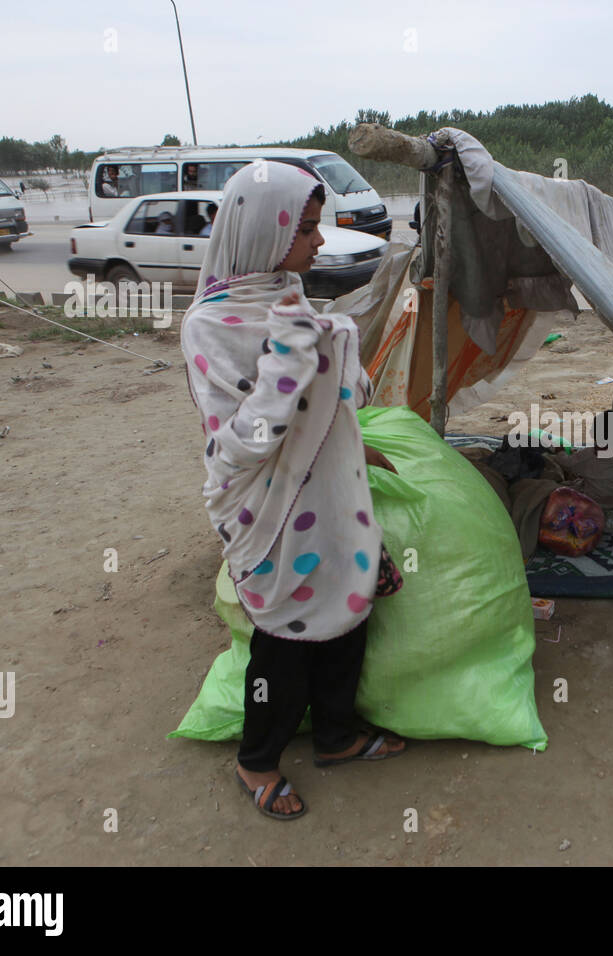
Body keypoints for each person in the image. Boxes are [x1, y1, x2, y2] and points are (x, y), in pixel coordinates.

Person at [180, 162, 407, 821]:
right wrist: (290, 357)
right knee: (283, 643)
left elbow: (332, 403)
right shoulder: (211, 327)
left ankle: (336, 737)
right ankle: (257, 760)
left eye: (316, 226)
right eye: (304, 229)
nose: (319, 241)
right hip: (268, 509)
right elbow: (242, 443)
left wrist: (354, 437)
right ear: (260, 234)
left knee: (349, 615)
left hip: (328, 495)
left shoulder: (289, 298)